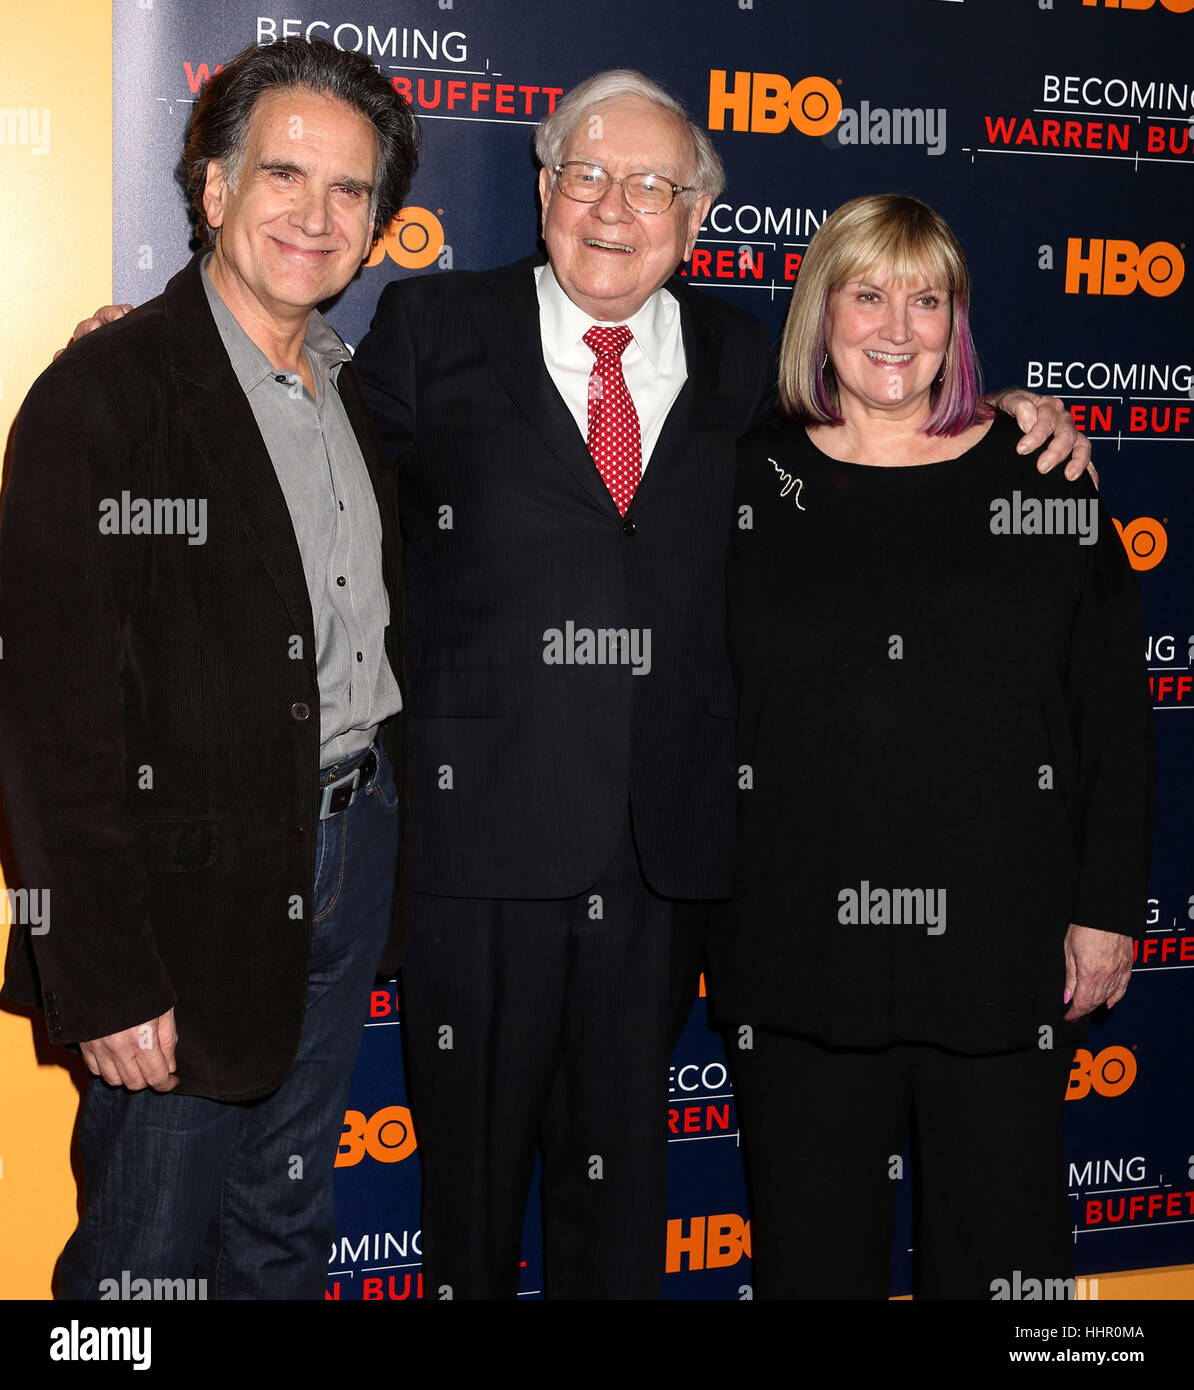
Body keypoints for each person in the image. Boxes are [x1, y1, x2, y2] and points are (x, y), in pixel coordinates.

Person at [59, 70, 1089, 1301]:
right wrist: (153, 354)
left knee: (622, 1215)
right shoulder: (432, 330)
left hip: (664, 863)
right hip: (474, 849)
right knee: (467, 1209)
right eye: (587, 175)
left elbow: (878, 420)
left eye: (653, 185)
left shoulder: (746, 358)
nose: (615, 206)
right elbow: (286, 429)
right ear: (544, 191)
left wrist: (1017, 410)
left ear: (698, 214)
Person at [0, 37, 419, 1299]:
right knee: (140, 1263)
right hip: (176, 916)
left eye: (351, 192)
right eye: (285, 173)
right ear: (214, 188)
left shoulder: (354, 392)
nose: (317, 213)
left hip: (347, 861)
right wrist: (107, 974)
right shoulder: (104, 395)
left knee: (281, 1229)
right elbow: (52, 718)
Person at [710, 193, 1153, 1300]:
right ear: (822, 310)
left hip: (1001, 957)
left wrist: (1105, 910)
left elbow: (1112, 711)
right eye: (868, 294)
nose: (897, 328)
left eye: (927, 298)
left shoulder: (1040, 471)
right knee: (813, 1268)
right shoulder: (743, 476)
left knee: (1007, 1269)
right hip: (800, 949)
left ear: (958, 320)